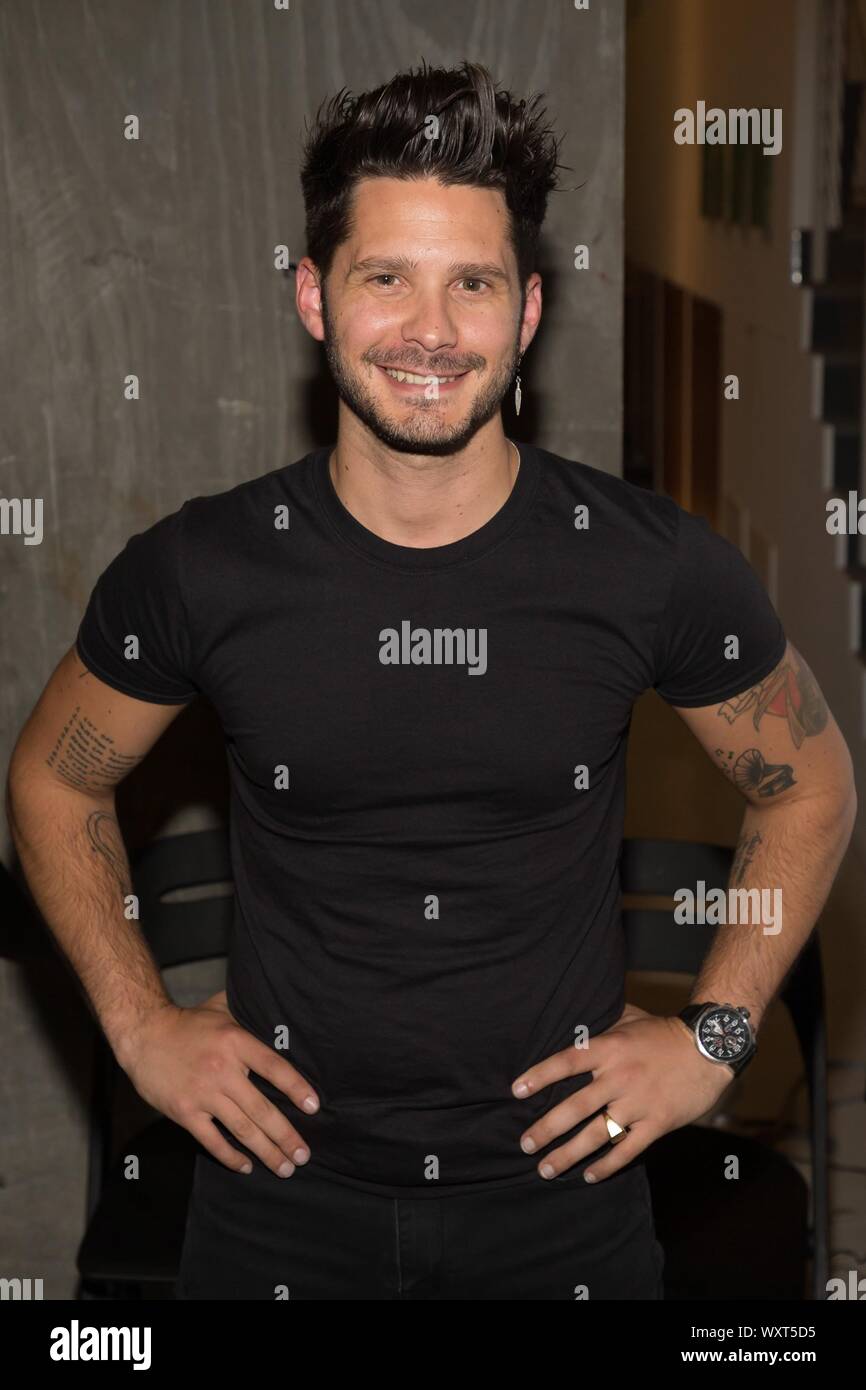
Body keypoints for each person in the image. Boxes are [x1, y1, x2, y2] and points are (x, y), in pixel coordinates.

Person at [7, 61, 856, 1301]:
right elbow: (49, 778)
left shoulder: (643, 565)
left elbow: (811, 784)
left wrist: (712, 1040)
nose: (429, 330)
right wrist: (141, 1027)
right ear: (312, 297)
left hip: (562, 1208)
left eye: (472, 282)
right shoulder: (202, 568)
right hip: (277, 1199)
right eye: (384, 278)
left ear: (525, 314)